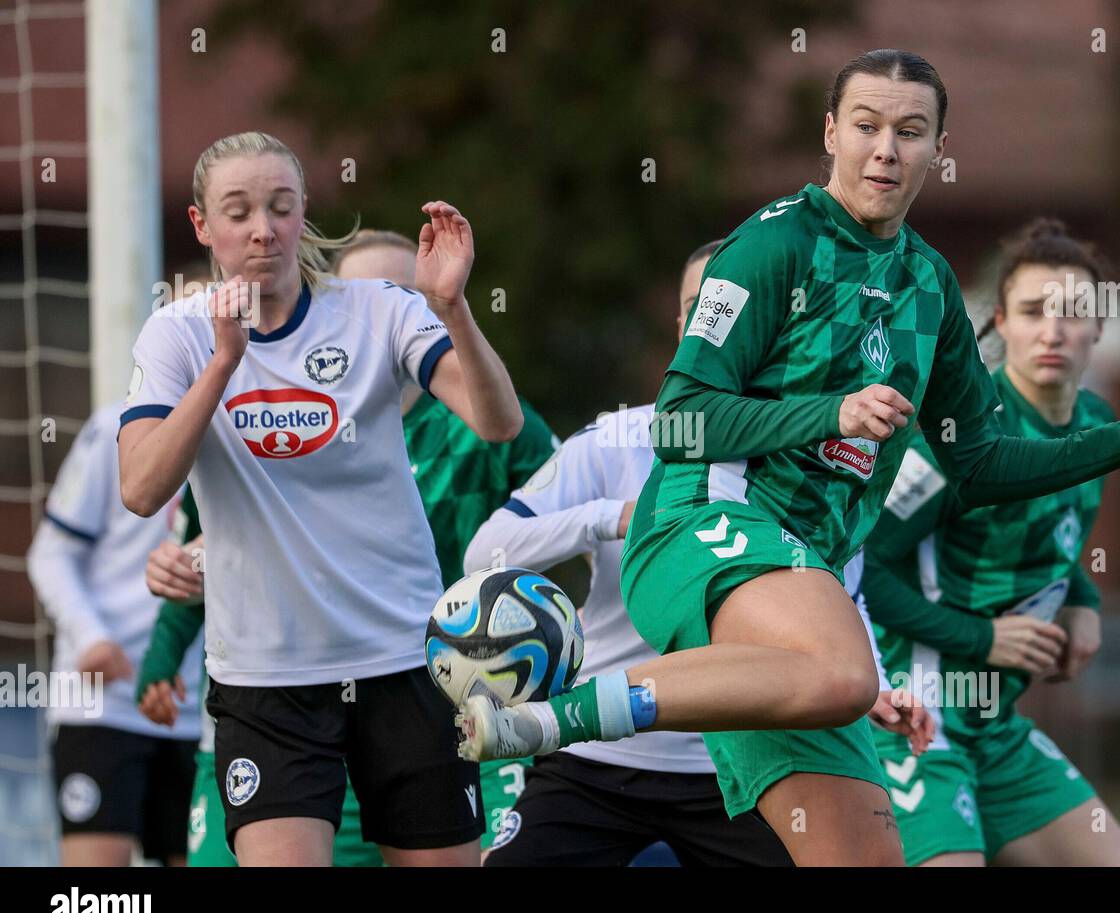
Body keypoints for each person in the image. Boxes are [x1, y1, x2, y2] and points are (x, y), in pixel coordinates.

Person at [455, 49, 1120, 867]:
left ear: (938, 149)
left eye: (911, 131)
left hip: (807, 597)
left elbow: (981, 463)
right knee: (840, 669)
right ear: (832, 133)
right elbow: (679, 422)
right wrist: (829, 413)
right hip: (698, 527)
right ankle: (552, 719)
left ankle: (821, 685)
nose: (887, 148)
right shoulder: (771, 246)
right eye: (869, 126)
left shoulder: (931, 284)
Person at [118, 131, 523, 866]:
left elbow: (500, 423)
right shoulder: (176, 335)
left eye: (280, 206)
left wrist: (454, 308)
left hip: (404, 658)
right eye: (237, 211)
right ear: (202, 225)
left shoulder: (377, 309)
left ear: (304, 214)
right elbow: (142, 490)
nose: (262, 228)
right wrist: (223, 365)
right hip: (266, 678)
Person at [467, 241, 928, 866]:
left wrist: (869, 680)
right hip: (598, 759)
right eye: (699, 308)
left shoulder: (821, 461)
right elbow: (484, 555)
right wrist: (610, 518)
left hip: (731, 761)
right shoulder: (617, 437)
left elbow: (837, 595)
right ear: (687, 327)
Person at [861, 218, 1120, 866]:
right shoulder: (958, 431)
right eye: (1033, 310)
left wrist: (1085, 601)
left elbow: (1052, 540)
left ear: (1100, 329)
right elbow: (860, 568)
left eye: (1073, 313)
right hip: (919, 721)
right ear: (1000, 323)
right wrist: (984, 639)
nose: (1053, 330)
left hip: (999, 729)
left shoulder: (1097, 424)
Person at [27, 404, 203, 866]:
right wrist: (92, 639)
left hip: (197, 710)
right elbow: (50, 554)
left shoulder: (248, 427)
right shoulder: (114, 427)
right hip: (102, 706)